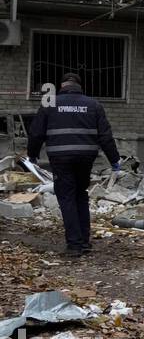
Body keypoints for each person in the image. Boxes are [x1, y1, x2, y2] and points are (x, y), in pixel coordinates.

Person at [27, 72, 121, 257]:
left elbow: (36, 132)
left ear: (61, 86)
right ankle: (84, 242)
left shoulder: (49, 103)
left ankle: (74, 245)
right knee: (80, 195)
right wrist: (114, 160)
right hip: (86, 158)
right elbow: (105, 136)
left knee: (67, 198)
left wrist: (32, 155)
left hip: (60, 159)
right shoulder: (93, 105)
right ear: (79, 86)